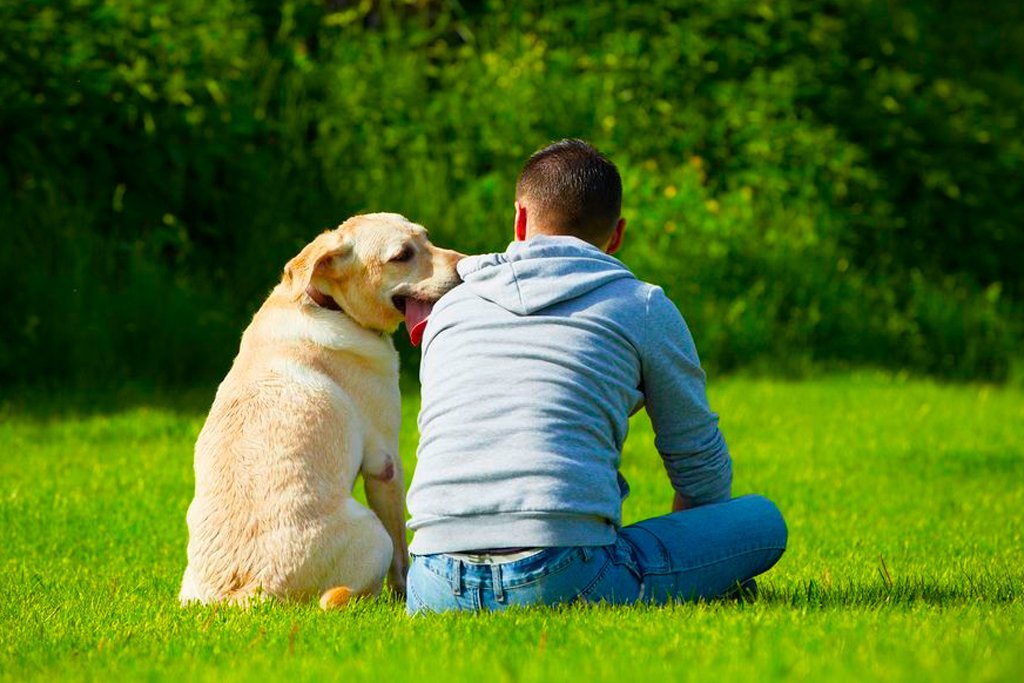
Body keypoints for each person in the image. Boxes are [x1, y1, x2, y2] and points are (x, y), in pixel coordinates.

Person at [404, 139, 787, 613]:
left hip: (430, 583)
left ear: (520, 220)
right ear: (617, 234)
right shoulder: (640, 305)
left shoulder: (450, 308)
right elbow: (699, 466)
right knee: (763, 522)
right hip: (565, 574)